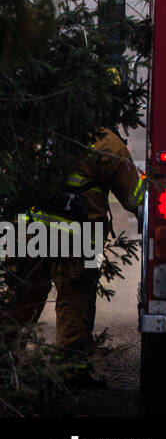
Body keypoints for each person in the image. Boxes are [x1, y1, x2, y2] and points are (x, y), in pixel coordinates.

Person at [0, 128, 146, 387]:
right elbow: (136, 196)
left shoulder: (31, 127)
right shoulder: (106, 142)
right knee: (75, 302)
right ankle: (69, 374)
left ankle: (4, 366)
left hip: (25, 230)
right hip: (79, 237)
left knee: (20, 300)